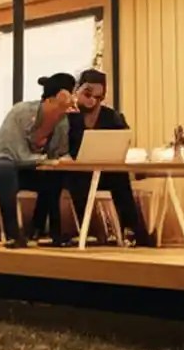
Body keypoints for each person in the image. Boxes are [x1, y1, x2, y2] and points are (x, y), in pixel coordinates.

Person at [0, 73, 77, 249]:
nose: (63, 111)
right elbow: (15, 153)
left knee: (56, 176)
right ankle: (13, 235)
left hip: (29, 171)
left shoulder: (62, 122)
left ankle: (49, 232)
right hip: (1, 167)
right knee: (5, 169)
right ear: (49, 100)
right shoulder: (21, 112)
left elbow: (60, 153)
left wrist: (63, 161)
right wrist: (46, 160)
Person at [64, 69, 156, 247]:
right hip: (74, 172)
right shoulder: (68, 116)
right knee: (78, 181)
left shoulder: (111, 116)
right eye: (88, 94)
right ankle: (90, 231)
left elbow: (124, 139)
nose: (92, 101)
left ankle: (132, 229)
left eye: (98, 98)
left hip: (104, 172)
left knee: (119, 178)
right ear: (78, 90)